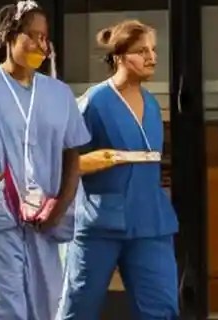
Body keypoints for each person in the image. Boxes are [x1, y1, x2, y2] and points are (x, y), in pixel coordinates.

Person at [0, 0, 90, 320]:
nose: (41, 44)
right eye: (33, 36)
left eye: (45, 38)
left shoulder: (59, 94)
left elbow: (72, 156)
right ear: (10, 37)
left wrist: (60, 206)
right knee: (4, 309)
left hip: (42, 220)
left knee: (46, 306)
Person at [59, 20, 179, 320]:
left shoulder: (152, 105)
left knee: (162, 309)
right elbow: (59, 162)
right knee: (78, 308)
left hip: (151, 222)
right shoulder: (93, 102)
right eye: (141, 51)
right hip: (101, 223)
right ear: (119, 56)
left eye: (153, 50)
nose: (151, 57)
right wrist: (99, 159)